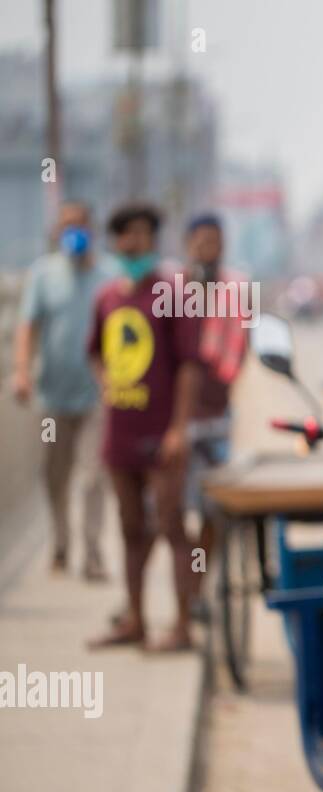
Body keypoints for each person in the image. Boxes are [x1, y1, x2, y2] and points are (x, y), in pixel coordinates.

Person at [86, 203, 201, 652]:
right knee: (130, 528)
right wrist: (106, 385)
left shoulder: (173, 292)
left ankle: (183, 625)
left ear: (154, 240)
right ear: (115, 242)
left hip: (162, 432)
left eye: (142, 234)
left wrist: (179, 428)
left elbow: (190, 365)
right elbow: (95, 351)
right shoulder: (107, 297)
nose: (134, 243)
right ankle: (135, 619)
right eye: (125, 234)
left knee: (172, 525)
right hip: (120, 431)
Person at [12, 201, 117, 579]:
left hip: (97, 396)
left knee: (93, 476)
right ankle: (60, 544)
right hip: (53, 397)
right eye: (66, 225)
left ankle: (92, 554)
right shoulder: (43, 274)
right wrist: (22, 373)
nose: (73, 231)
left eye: (80, 224)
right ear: (57, 231)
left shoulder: (110, 275)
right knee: (54, 474)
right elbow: (27, 326)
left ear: (92, 229)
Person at [181, 213, 248, 613]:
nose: (210, 249)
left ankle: (198, 590)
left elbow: (239, 350)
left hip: (216, 417)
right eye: (202, 241)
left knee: (213, 509)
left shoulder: (237, 289)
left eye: (216, 241)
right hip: (175, 419)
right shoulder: (170, 290)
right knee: (170, 512)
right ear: (189, 243)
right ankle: (185, 590)